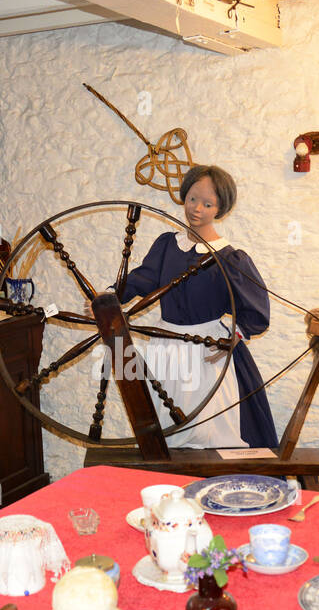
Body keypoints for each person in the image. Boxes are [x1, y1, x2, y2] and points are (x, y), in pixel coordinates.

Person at [112, 165, 278, 450]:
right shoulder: (167, 245)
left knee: (210, 428)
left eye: (208, 203)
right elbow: (144, 278)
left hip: (207, 350)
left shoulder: (230, 258)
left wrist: (232, 338)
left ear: (220, 209)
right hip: (166, 344)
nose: (197, 209)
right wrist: (110, 299)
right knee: (166, 425)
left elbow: (256, 311)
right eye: (192, 199)